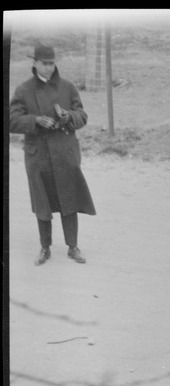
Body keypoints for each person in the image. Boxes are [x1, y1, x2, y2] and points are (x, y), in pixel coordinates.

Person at [9, 44, 97, 265]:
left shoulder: (67, 88)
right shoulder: (23, 90)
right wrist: (35, 120)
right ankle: (45, 248)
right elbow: (11, 120)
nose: (48, 68)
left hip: (65, 154)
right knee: (43, 202)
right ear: (35, 63)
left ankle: (73, 247)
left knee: (69, 199)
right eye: (44, 63)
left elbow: (82, 115)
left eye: (51, 63)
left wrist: (69, 117)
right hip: (38, 156)